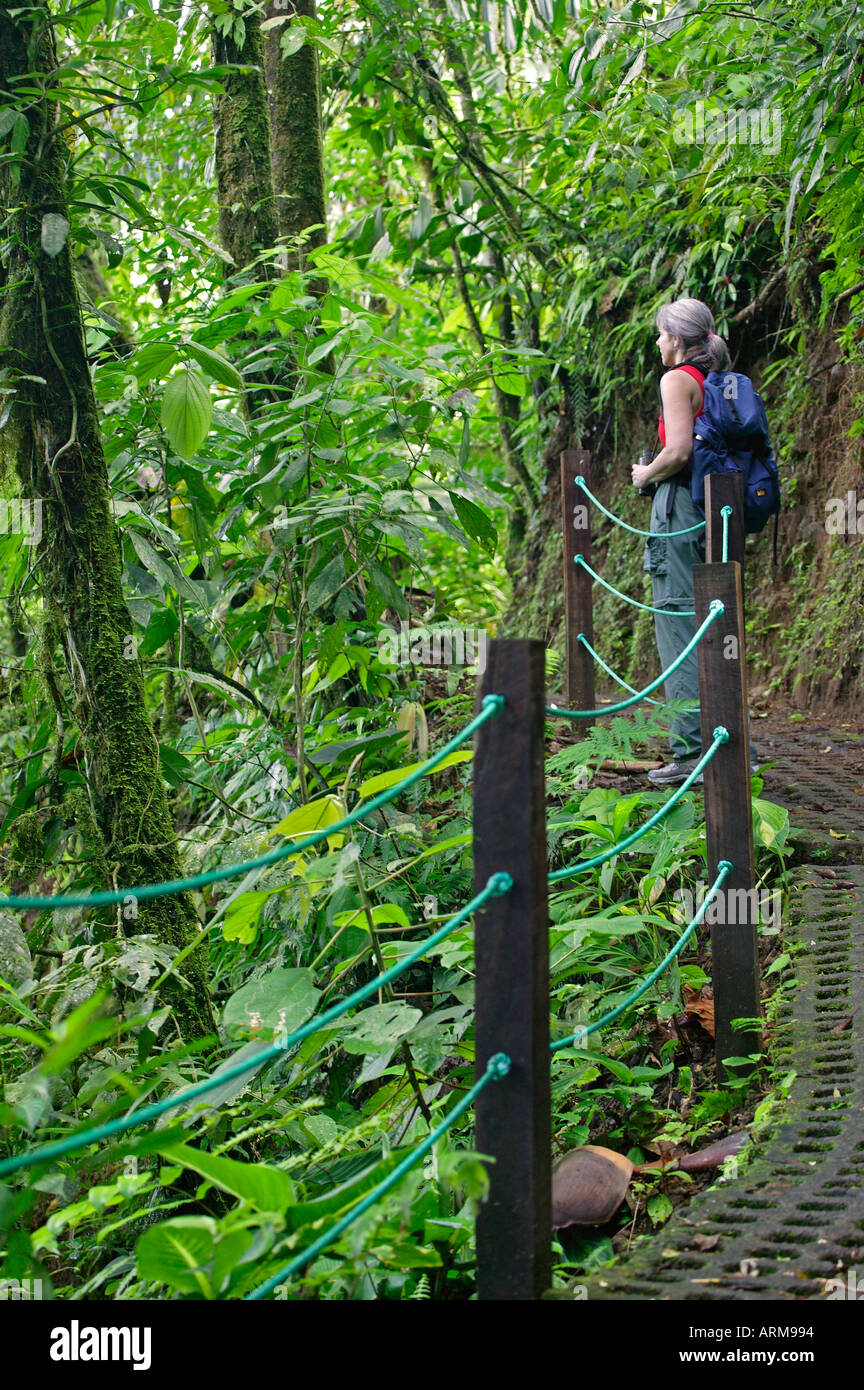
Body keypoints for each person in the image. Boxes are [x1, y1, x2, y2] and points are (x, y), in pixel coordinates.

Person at [631, 297, 758, 785]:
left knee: (680, 622)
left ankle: (691, 753)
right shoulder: (718, 381)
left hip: (681, 509)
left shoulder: (676, 379)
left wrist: (646, 474)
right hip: (716, 510)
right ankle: (726, 741)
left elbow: (679, 450)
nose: (659, 342)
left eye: (663, 334)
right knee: (715, 622)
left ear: (679, 340)